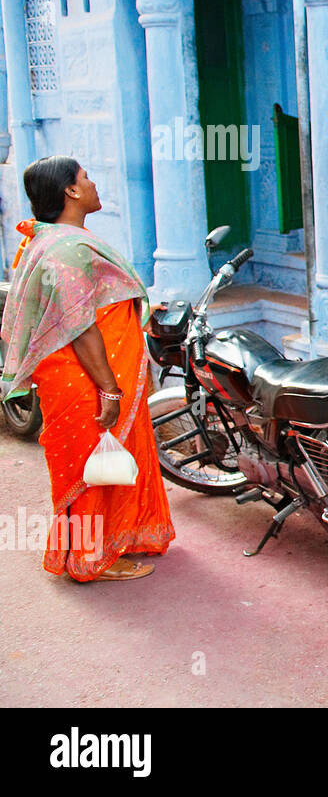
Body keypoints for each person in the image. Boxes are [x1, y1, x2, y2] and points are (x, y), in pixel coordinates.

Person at [0, 156, 175, 581]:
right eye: (86, 178)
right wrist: (110, 390)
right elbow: (79, 326)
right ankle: (92, 560)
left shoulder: (57, 239)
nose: (94, 183)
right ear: (71, 192)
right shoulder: (67, 247)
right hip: (83, 379)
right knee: (93, 473)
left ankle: (119, 539)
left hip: (81, 376)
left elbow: (91, 302)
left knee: (106, 466)